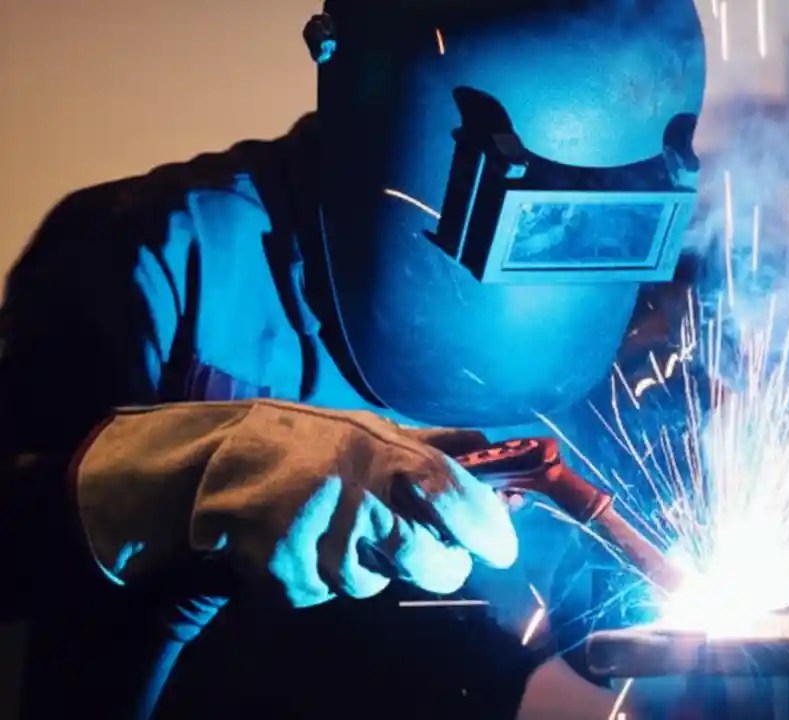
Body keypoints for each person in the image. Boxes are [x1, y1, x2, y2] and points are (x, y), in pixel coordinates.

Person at [0, 0, 707, 717]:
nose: (569, 232)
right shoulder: (154, 258)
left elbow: (615, 622)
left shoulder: (616, 314)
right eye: (548, 212)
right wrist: (180, 481)